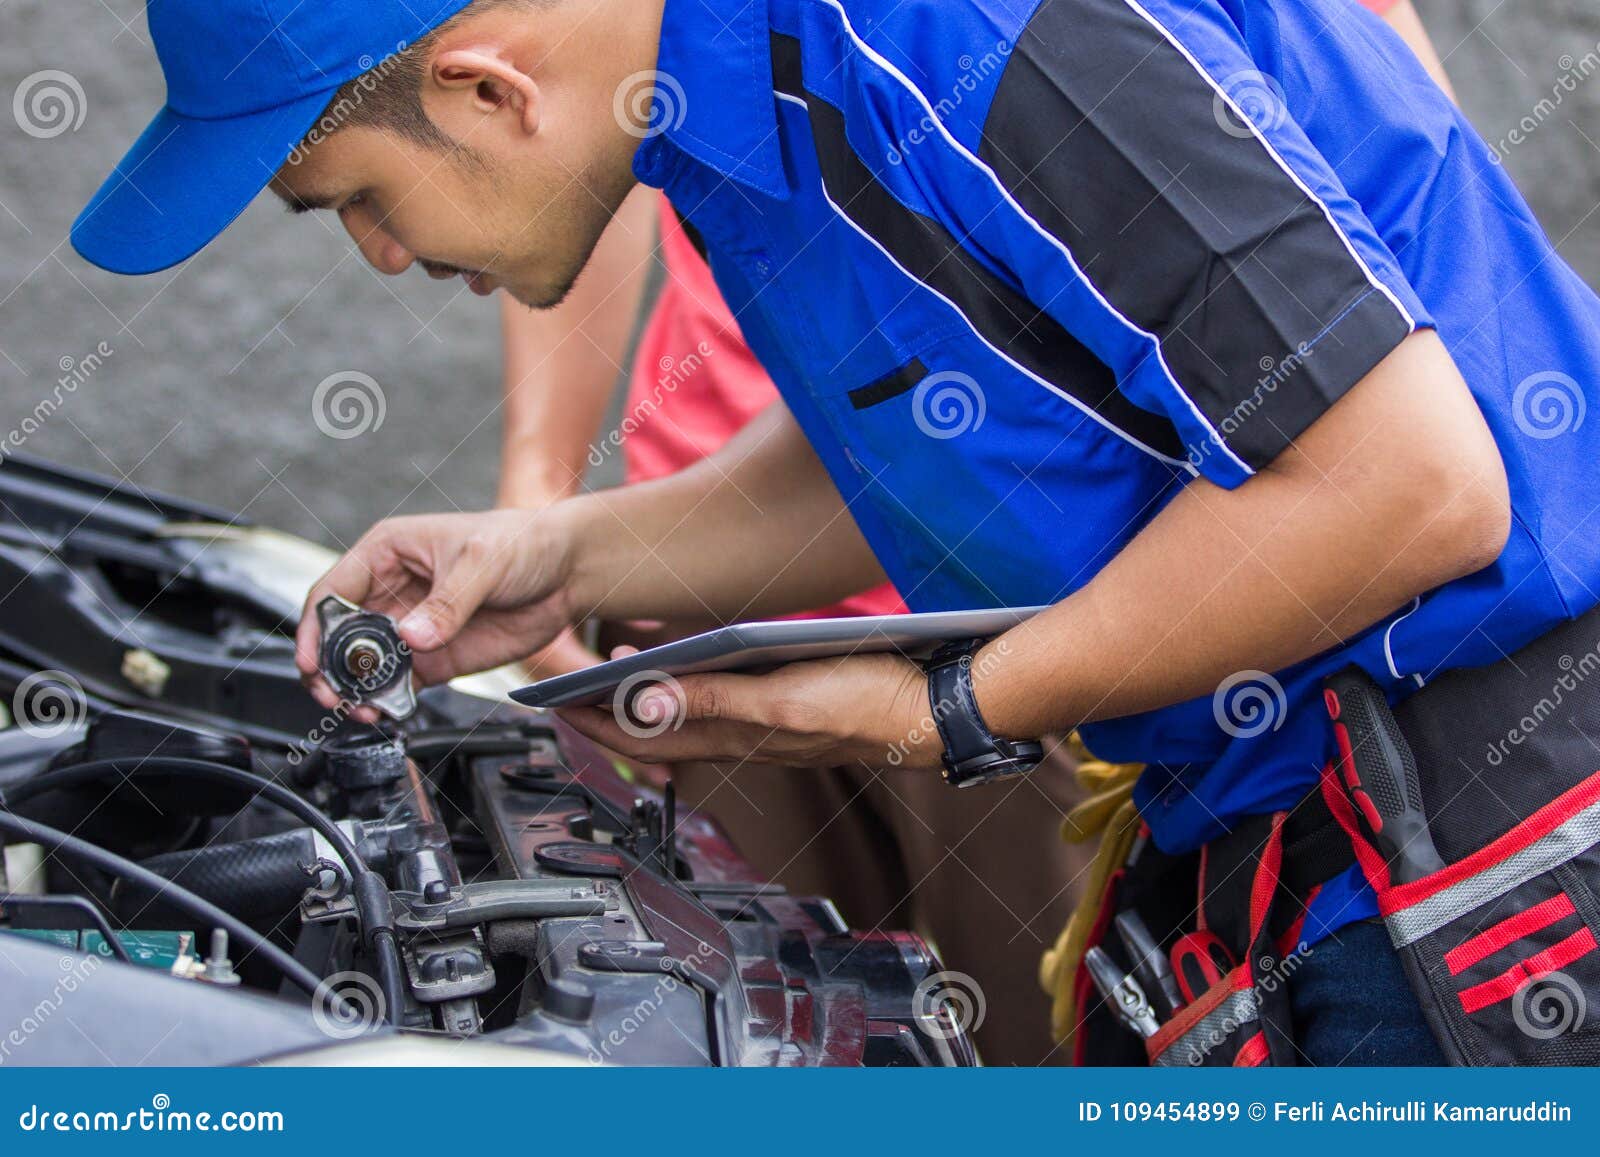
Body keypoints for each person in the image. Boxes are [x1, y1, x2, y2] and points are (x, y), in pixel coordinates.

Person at [71, 0, 1592, 1066]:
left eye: (356, 198)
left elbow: (1410, 481)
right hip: (1286, 836)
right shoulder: (725, 97)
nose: (387, 253)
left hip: (1489, 828)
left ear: (486, 88)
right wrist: (559, 559)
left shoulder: (964, 31)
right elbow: (944, 436)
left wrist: (952, 708)